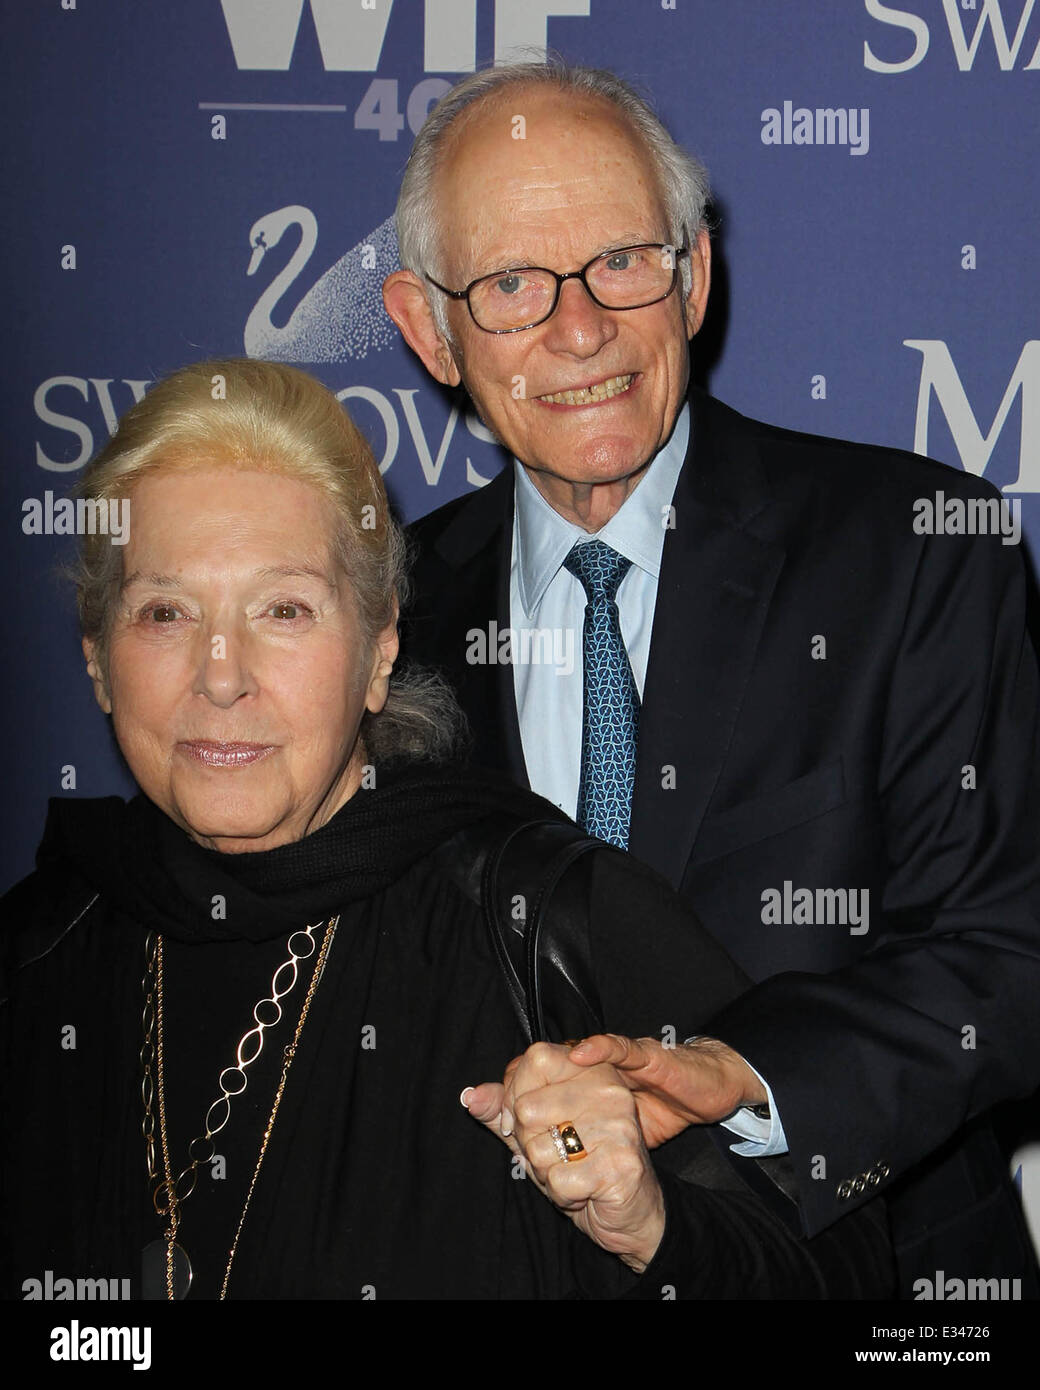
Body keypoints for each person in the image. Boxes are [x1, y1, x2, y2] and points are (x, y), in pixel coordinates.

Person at [0, 357, 893, 1301]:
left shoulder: (547, 920)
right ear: (97, 657)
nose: (221, 676)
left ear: (380, 647)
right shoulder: (37, 945)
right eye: (165, 611)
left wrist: (654, 1226)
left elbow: (848, 1276)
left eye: (284, 609)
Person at [382, 59, 1040, 1294]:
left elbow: (1006, 955)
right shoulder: (381, 620)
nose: (580, 328)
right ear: (428, 329)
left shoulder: (914, 549)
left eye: (621, 260)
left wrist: (734, 1074)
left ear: (690, 273)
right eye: (512, 283)